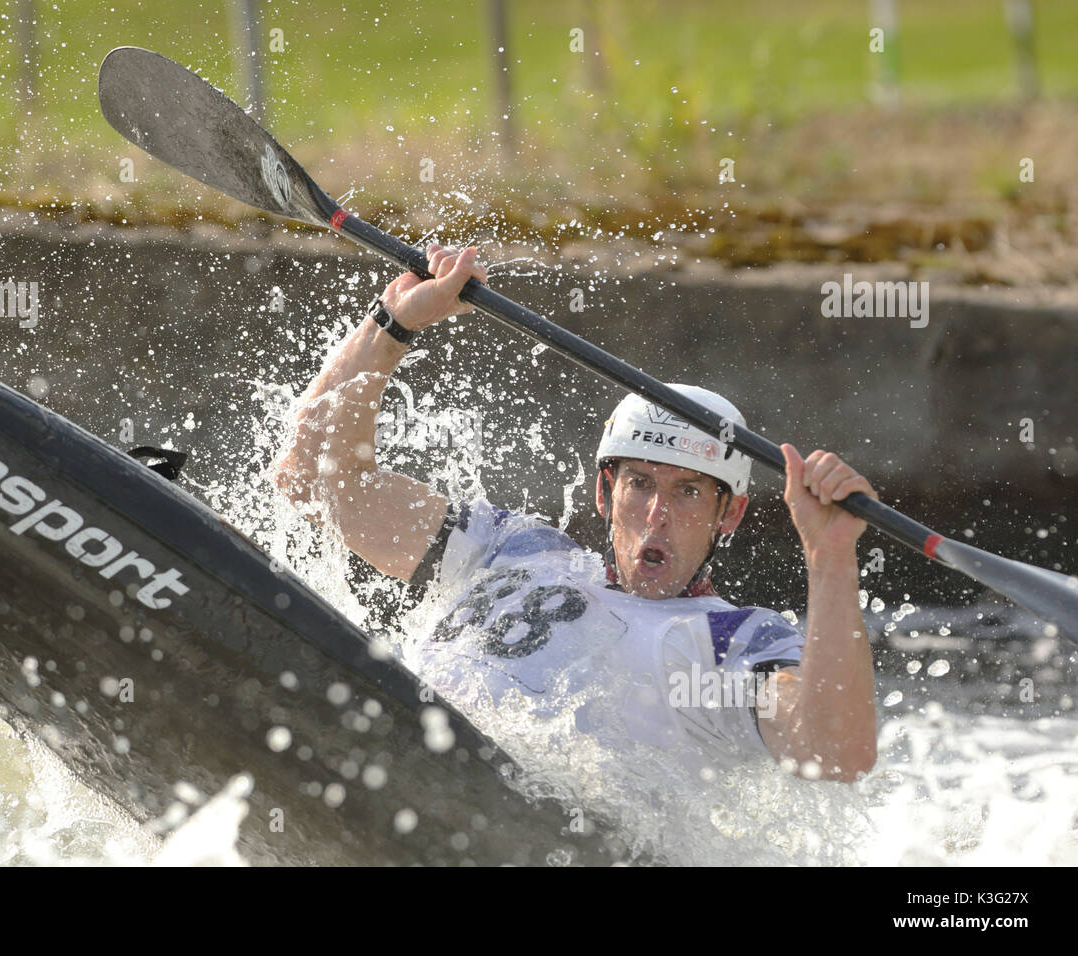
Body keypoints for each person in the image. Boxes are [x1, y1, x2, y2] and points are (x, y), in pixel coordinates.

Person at [274, 243, 877, 782]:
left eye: (690, 492)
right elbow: (310, 483)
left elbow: (836, 752)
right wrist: (391, 324)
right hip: (398, 743)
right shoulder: (508, 547)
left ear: (731, 513)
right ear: (604, 493)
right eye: (639, 483)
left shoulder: (734, 641)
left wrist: (830, 559)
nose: (658, 513)